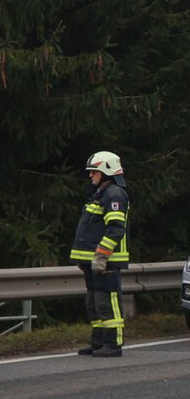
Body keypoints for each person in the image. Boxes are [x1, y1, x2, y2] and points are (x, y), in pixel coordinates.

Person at [71, 151, 130, 358]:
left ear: (105, 171)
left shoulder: (114, 194)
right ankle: (98, 342)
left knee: (107, 302)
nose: (90, 176)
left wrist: (101, 256)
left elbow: (115, 229)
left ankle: (113, 344)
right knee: (94, 303)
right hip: (92, 261)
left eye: (93, 171)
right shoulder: (100, 194)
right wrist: (83, 259)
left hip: (107, 261)